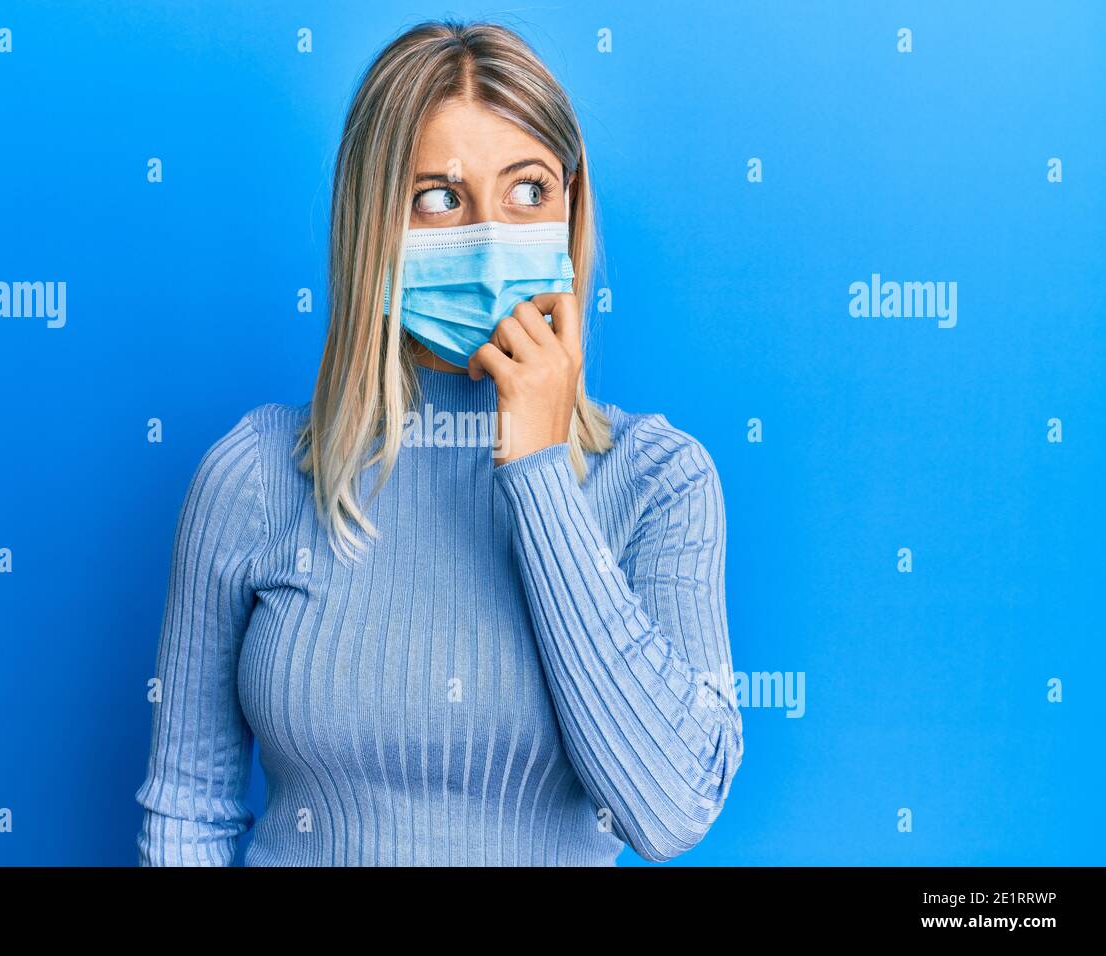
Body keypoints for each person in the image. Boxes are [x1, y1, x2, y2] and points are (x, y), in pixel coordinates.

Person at [134, 19, 743, 867]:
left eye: (528, 190)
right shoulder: (258, 476)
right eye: (439, 198)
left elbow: (672, 810)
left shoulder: (658, 482)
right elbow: (188, 811)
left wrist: (537, 470)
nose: (491, 237)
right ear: (375, 226)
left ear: (570, 207)